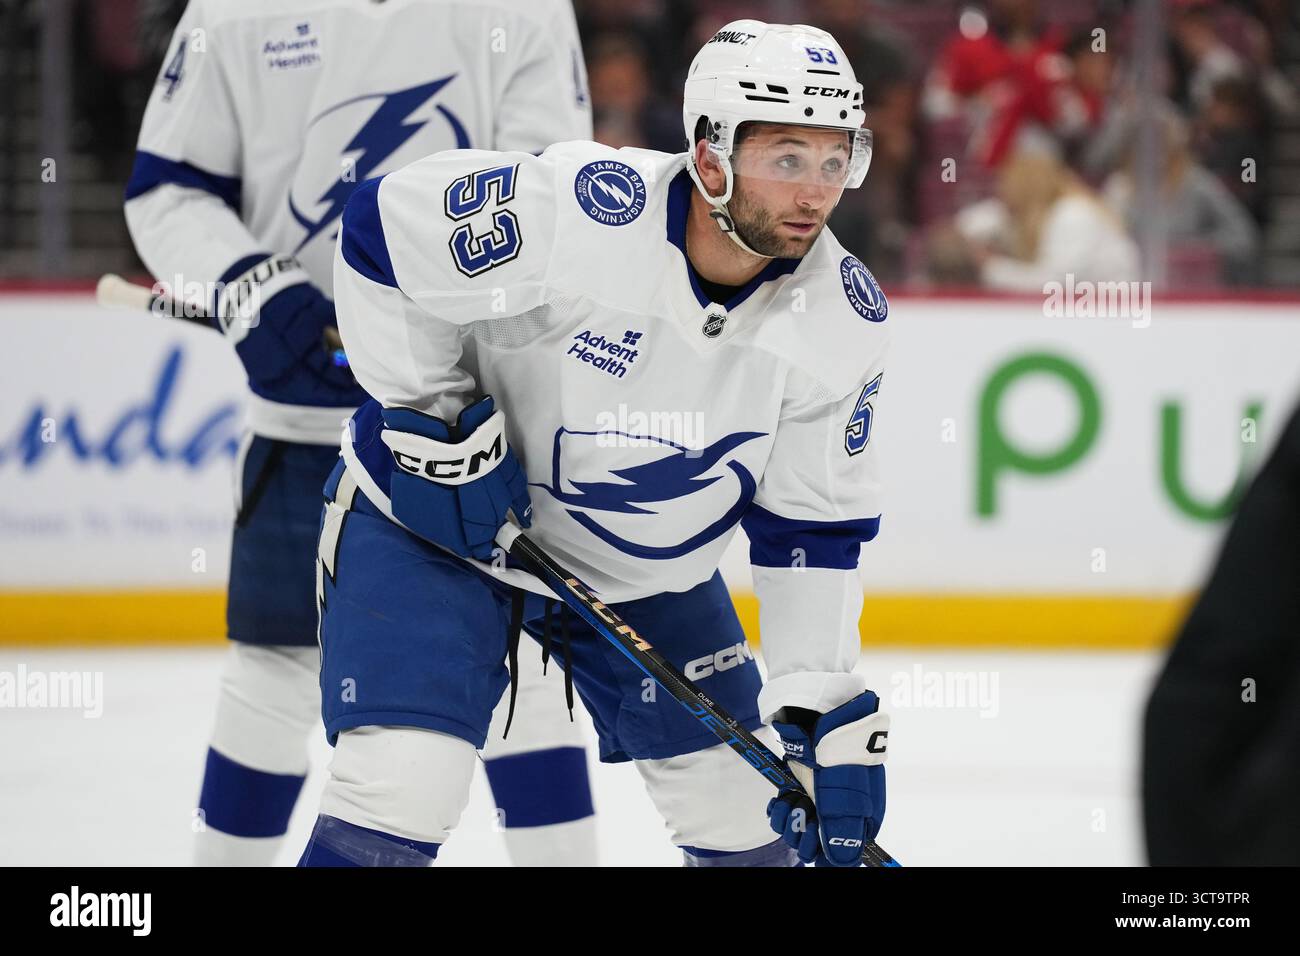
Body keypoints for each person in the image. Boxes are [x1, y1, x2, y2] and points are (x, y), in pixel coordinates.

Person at [298, 19, 892, 868]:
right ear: (711, 154)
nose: (814, 195)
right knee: (401, 783)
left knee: (747, 816)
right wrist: (434, 419)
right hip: (433, 530)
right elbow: (380, 231)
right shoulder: (581, 210)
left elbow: (811, 532)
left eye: (835, 162)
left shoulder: (842, 322)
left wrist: (822, 713)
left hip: (646, 570)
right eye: (787, 159)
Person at [123, 0, 597, 867]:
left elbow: (553, 193)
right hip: (301, 427)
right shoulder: (231, 11)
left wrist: (430, 337)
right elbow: (169, 185)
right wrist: (250, 287)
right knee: (274, 673)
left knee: (526, 680)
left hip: (469, 424)